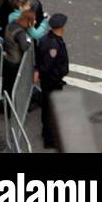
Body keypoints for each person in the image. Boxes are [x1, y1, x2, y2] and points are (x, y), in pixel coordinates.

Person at [35, 12, 68, 149]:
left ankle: (46, 133)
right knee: (51, 110)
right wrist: (54, 77)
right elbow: (47, 65)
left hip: (48, 80)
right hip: (52, 80)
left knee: (47, 108)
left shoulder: (46, 38)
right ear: (60, 28)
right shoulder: (54, 44)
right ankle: (50, 139)